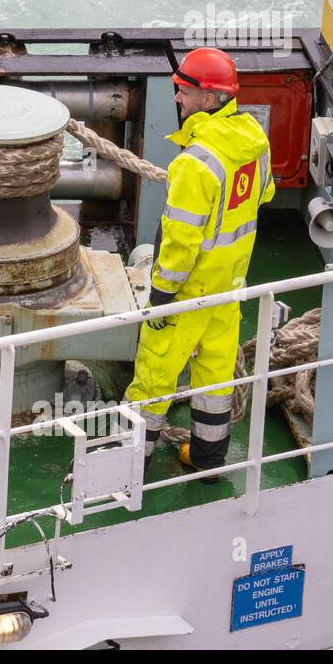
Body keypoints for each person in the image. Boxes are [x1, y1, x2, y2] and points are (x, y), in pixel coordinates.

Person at [124, 47, 274, 479]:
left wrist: (162, 294)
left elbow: (181, 240)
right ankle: (207, 461)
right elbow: (261, 197)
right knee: (214, 379)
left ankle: (131, 467)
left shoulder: (194, 162)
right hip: (228, 288)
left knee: (153, 381)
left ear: (209, 100)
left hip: (187, 295)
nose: (177, 99)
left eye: (184, 92)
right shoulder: (254, 141)